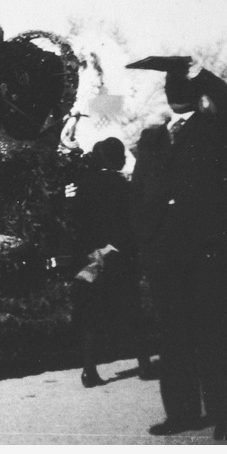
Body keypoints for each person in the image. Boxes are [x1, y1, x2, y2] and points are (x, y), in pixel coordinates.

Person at [128, 56, 227, 440]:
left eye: (180, 85)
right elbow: (140, 192)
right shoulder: (152, 137)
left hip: (205, 251)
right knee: (173, 336)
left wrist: (197, 71)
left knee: (213, 335)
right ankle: (181, 414)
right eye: (169, 86)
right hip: (164, 255)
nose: (172, 92)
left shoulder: (213, 127)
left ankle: (223, 415)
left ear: (196, 91)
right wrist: (146, 240)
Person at [65, 137, 153, 388]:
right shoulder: (123, 185)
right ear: (116, 159)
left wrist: (90, 252)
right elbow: (130, 222)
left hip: (91, 259)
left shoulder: (83, 185)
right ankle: (145, 364)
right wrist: (114, 247)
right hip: (118, 255)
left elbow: (76, 223)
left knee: (92, 314)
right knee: (133, 310)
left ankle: (89, 369)